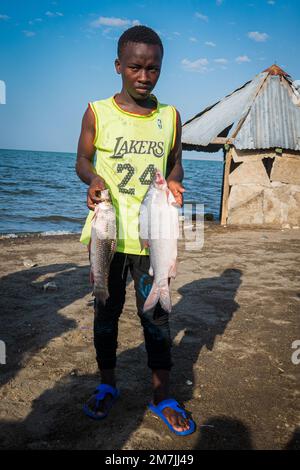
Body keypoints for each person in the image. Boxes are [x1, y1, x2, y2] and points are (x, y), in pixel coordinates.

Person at [75, 25, 195, 436]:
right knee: (105, 314)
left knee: (158, 317)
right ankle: (107, 384)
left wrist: (175, 180)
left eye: (153, 69)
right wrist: (91, 181)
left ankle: (162, 394)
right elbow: (82, 160)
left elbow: (176, 162)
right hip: (107, 235)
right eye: (135, 67)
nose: (144, 76)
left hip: (153, 237)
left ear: (161, 69)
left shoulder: (170, 116)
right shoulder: (97, 111)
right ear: (118, 67)